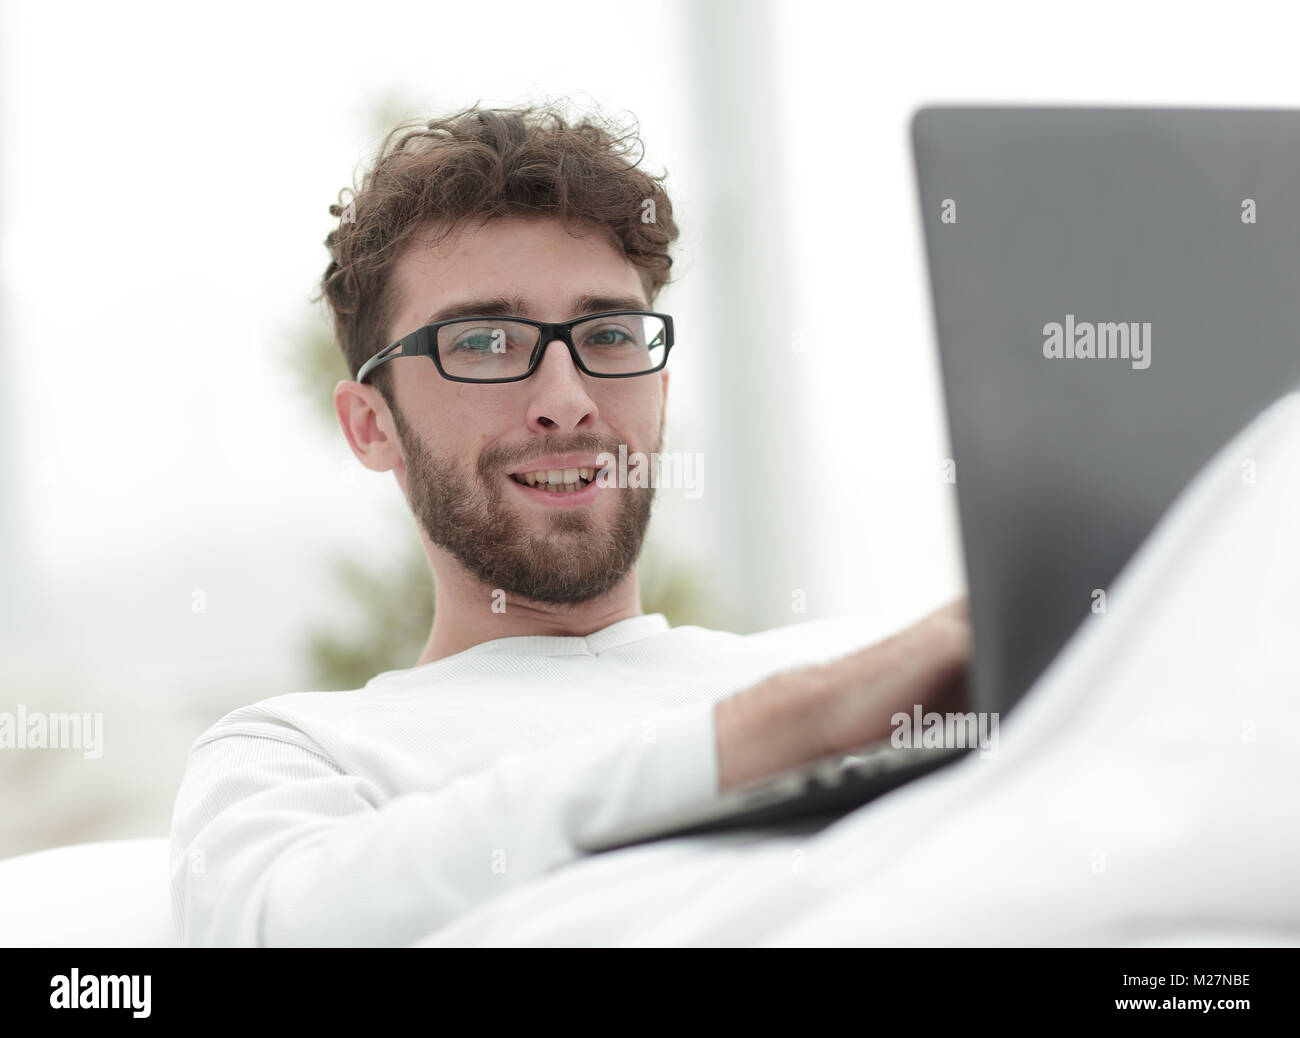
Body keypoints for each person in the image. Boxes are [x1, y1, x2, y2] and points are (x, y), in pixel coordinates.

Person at [168, 102, 969, 947]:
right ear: (371, 424)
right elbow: (281, 928)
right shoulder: (302, 753)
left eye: (611, 334)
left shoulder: (851, 669)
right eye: (483, 342)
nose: (567, 402)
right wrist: (769, 736)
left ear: (660, 396)